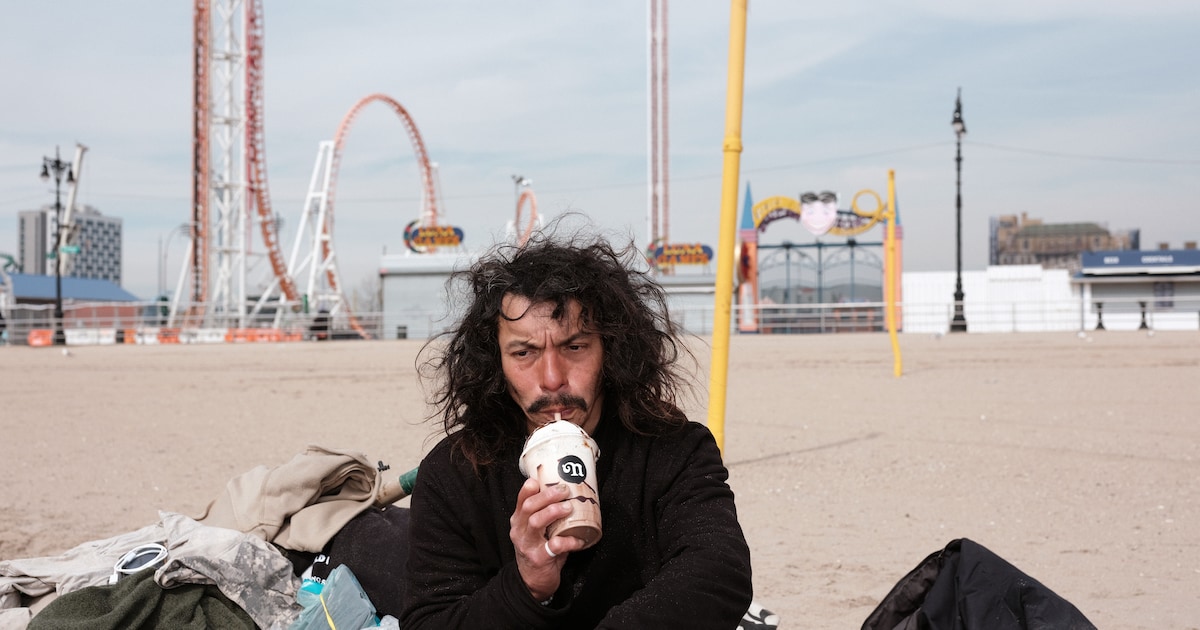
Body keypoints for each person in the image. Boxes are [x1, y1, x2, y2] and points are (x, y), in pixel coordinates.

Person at [401, 226, 753, 629]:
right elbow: (431, 621)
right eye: (524, 352)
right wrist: (526, 585)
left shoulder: (674, 449)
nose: (552, 378)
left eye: (574, 346)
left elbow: (718, 573)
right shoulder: (455, 473)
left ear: (611, 349)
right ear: (494, 363)